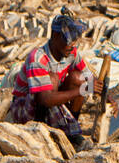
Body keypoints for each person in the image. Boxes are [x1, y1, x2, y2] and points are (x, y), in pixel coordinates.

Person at [8, 13, 92, 148]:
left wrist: (106, 94)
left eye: (74, 41)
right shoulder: (37, 58)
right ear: (55, 36)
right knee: (52, 78)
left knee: (78, 78)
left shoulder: (71, 53)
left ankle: (71, 131)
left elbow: (88, 76)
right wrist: (81, 90)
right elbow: (45, 98)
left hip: (51, 98)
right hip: (26, 106)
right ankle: (40, 129)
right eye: (68, 40)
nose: (72, 45)